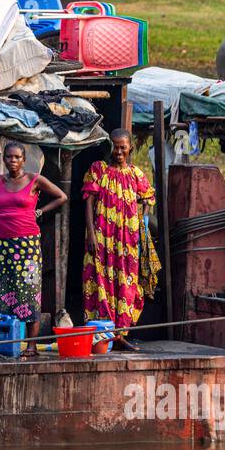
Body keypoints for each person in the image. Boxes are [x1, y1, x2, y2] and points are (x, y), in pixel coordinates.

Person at [82, 128, 157, 353]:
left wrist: (139, 219)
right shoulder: (99, 170)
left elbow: (149, 197)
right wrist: (91, 234)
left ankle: (121, 335)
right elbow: (88, 202)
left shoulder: (136, 174)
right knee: (100, 281)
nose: (119, 151)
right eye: (115, 146)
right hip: (103, 237)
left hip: (127, 240)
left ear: (130, 147)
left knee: (126, 285)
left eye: (123, 147)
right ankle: (102, 336)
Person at [0, 141, 66, 344]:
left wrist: (39, 212)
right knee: (0, 288)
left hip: (26, 244)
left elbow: (61, 197)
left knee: (27, 291)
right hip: (1, 244)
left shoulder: (34, 180)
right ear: (3, 159)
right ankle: (2, 342)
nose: (13, 160)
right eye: (9, 157)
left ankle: (30, 344)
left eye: (17, 157)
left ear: (24, 160)